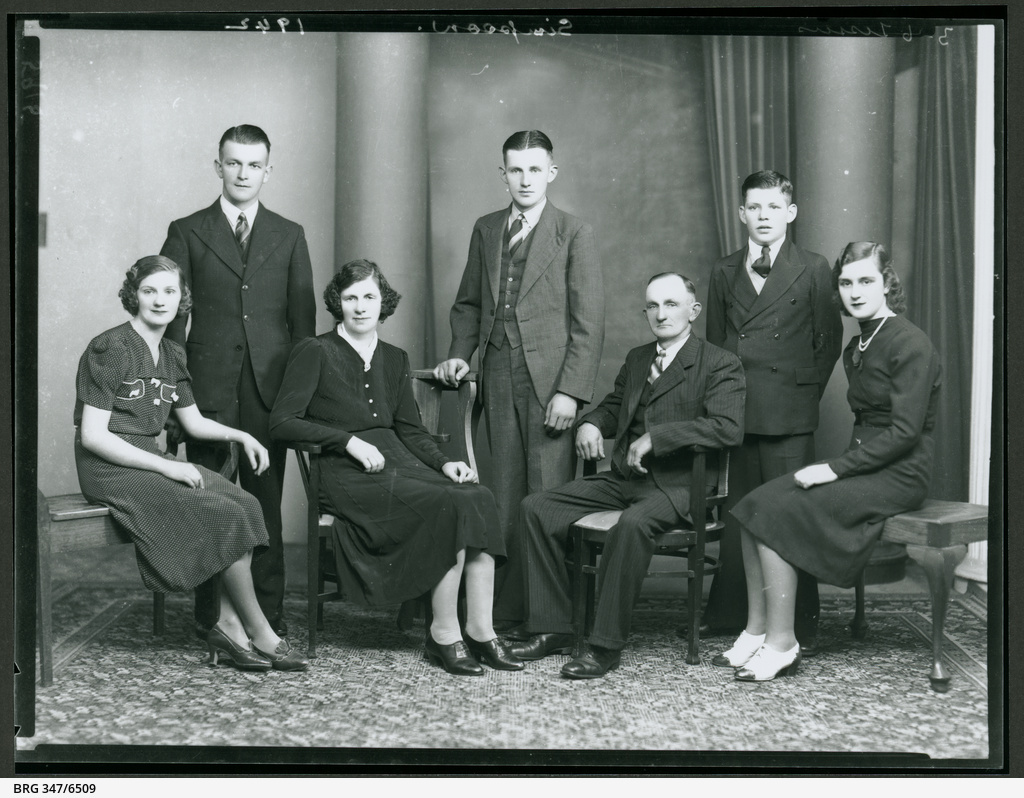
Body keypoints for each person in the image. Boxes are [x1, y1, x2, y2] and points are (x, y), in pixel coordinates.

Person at [269, 260, 522, 676]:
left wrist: (446, 464)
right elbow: (281, 422)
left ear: (382, 302)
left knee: (476, 495)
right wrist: (348, 440)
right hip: (344, 471)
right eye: (350, 298)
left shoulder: (394, 357)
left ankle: (480, 630)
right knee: (448, 505)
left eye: (369, 296)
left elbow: (410, 429)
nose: (360, 306)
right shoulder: (315, 351)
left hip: (399, 463)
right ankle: (444, 634)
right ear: (338, 303)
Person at [716, 242, 941, 681]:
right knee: (751, 507)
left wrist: (834, 468)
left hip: (900, 473)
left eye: (866, 280)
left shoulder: (910, 342)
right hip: (866, 464)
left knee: (780, 511)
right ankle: (756, 630)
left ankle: (783, 644)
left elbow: (904, 433)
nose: (855, 291)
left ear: (887, 284)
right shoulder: (857, 344)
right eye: (846, 282)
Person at [74, 256, 308, 672]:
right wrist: (167, 467)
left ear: (182, 298)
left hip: (148, 459)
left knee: (248, 506)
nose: (160, 300)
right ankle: (260, 632)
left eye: (170, 291)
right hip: (109, 468)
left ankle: (230, 625)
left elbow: (194, 422)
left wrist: (243, 435)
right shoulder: (109, 348)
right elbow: (93, 435)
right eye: (149, 291)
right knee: (221, 515)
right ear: (134, 295)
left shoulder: (170, 353)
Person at [509, 273, 745, 679]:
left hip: (679, 486)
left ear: (694, 310)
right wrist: (591, 424)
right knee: (537, 507)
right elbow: (615, 404)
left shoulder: (719, 362)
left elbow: (727, 427)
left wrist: (659, 437)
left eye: (671, 304)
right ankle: (554, 627)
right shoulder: (639, 359)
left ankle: (603, 646)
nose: (661, 313)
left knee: (631, 526)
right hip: (625, 479)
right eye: (652, 305)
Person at [433, 130, 605, 629]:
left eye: (535, 169)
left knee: (547, 495)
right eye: (515, 170)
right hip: (498, 374)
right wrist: (460, 356)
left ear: (552, 172)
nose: (525, 179)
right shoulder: (487, 229)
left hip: (553, 385)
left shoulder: (574, 232)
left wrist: (571, 392)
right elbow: (467, 304)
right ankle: (505, 611)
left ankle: (551, 619)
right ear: (502, 173)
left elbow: (588, 323)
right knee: (505, 494)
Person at [160, 124, 316, 639]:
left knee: (265, 504)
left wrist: (297, 403)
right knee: (213, 503)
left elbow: (303, 328)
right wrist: (176, 404)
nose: (244, 173)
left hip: (271, 396)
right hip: (207, 393)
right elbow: (170, 326)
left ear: (268, 170)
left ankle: (267, 616)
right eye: (234, 163)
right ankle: (214, 617)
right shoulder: (187, 230)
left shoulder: (290, 233)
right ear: (218, 166)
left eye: (254, 165)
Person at [700, 170, 843, 653]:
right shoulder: (723, 270)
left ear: (791, 213)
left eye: (773, 208)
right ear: (741, 213)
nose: (763, 217)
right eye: (754, 208)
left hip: (789, 414)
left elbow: (828, 343)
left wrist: (799, 395)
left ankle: (795, 624)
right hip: (739, 412)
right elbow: (716, 346)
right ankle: (736, 618)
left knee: (786, 514)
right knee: (742, 513)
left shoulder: (815, 267)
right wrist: (725, 402)